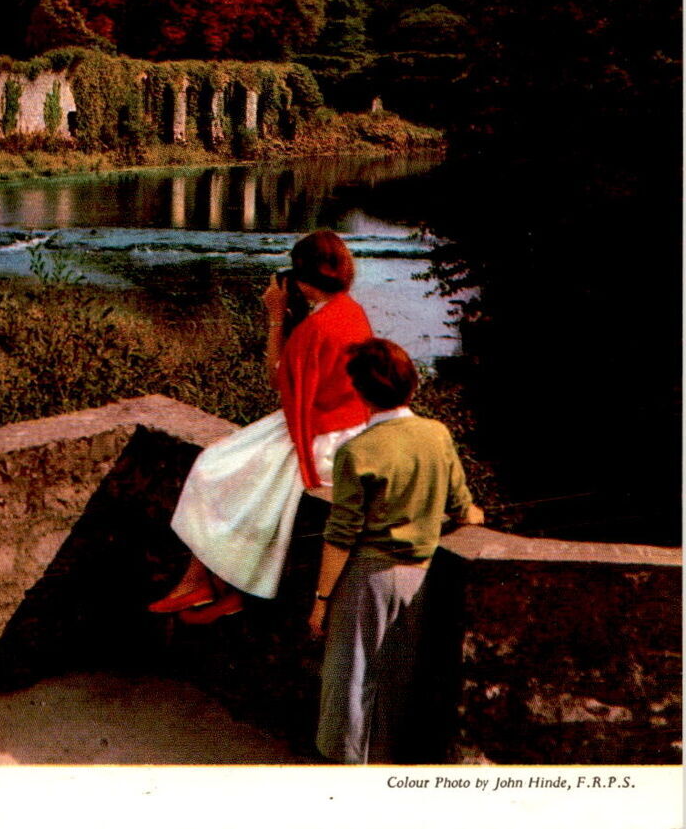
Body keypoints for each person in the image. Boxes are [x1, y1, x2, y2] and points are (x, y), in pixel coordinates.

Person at [148, 230, 373, 623]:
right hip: (346, 425)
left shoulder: (313, 330)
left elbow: (276, 378)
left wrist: (274, 319)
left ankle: (215, 583)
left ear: (301, 281)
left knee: (218, 467)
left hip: (322, 435)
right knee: (231, 468)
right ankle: (207, 580)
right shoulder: (351, 311)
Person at [311, 338, 484, 764]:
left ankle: (345, 766)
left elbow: (341, 533)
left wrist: (321, 601)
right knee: (398, 679)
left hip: (369, 573)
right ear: (411, 385)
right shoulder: (437, 434)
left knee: (350, 677)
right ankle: (386, 765)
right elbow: (464, 508)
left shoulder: (356, 451)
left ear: (361, 392)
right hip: (420, 574)